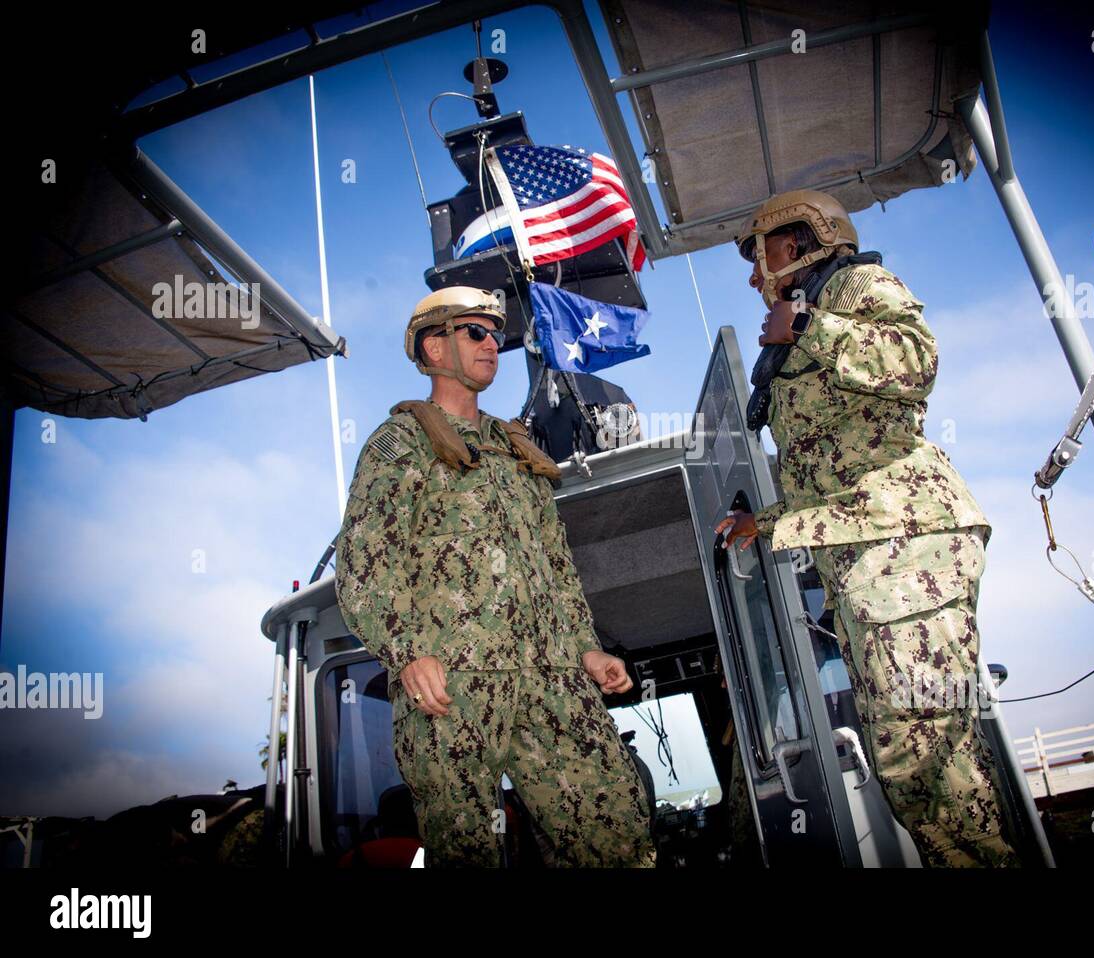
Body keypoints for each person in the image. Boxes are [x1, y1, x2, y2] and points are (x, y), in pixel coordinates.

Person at [716, 190, 1021, 867]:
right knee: (910, 763)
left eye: (758, 254)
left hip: (904, 547)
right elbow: (828, 469)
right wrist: (760, 524)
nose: (752, 274)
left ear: (798, 242)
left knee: (923, 760)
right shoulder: (809, 314)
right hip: (866, 559)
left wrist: (806, 330)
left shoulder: (855, 286)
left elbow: (917, 363)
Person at [334, 285, 655, 868]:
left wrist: (585, 649)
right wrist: (408, 653)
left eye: (496, 335)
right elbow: (364, 562)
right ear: (434, 346)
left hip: (551, 677)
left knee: (615, 828)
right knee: (467, 851)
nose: (493, 345)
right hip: (452, 690)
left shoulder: (516, 452)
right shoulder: (399, 444)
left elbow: (556, 569)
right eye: (475, 332)